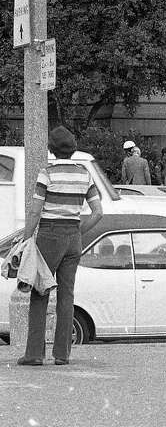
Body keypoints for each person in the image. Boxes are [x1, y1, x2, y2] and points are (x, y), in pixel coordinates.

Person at [17, 126, 103, 366]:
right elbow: (98, 212)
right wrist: (76, 230)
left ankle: (34, 354)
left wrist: (26, 238)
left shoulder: (47, 173)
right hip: (73, 238)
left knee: (40, 292)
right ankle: (62, 354)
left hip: (49, 236)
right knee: (67, 296)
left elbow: (35, 210)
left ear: (51, 149)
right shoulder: (84, 174)